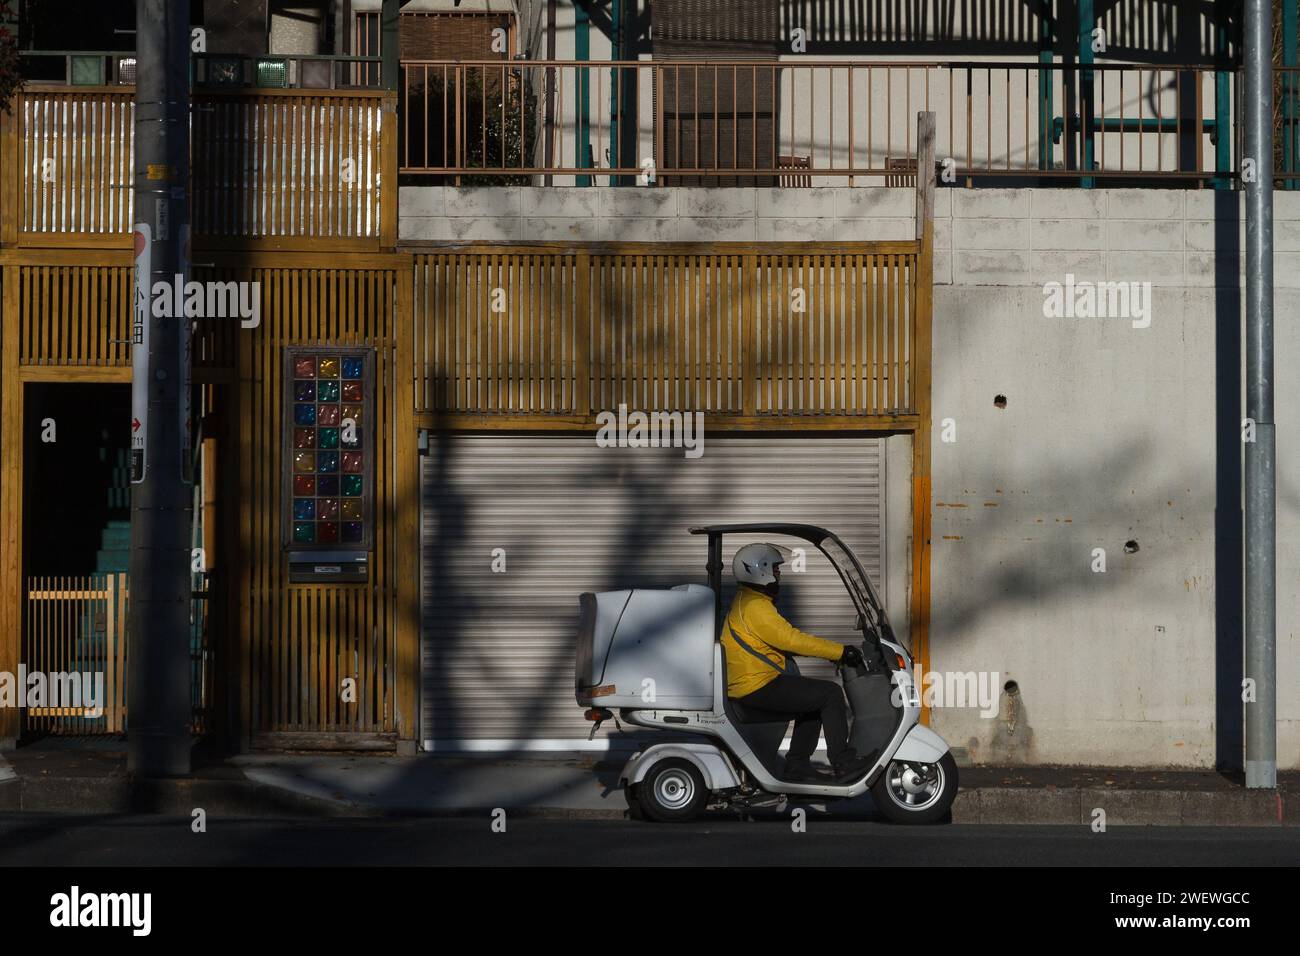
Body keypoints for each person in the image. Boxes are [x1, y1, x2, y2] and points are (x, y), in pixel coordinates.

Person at [722, 542, 871, 783]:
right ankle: (843, 762)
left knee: (811, 699)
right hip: (756, 686)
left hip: (751, 684)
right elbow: (792, 640)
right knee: (830, 694)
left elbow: (782, 641)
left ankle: (798, 766)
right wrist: (840, 652)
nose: (779, 574)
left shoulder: (748, 601)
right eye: (776, 569)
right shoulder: (756, 607)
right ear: (760, 570)